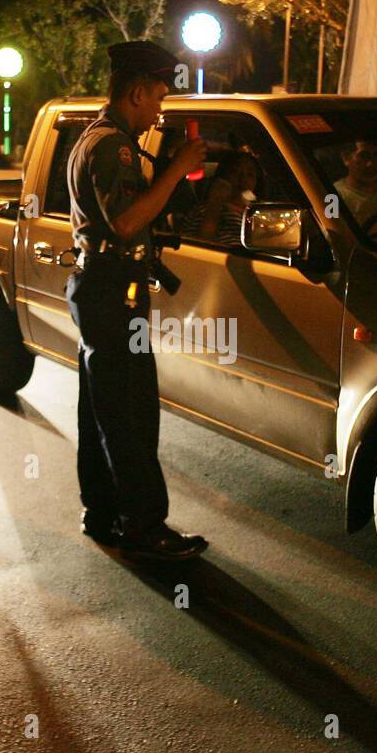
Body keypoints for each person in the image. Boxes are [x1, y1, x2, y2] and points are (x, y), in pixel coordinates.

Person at [66, 41, 209, 561]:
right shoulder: (113, 145)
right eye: (159, 92)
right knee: (129, 411)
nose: (162, 103)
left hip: (101, 286)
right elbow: (126, 221)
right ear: (136, 91)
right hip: (112, 291)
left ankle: (103, 511)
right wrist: (177, 169)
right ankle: (144, 529)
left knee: (101, 408)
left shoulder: (103, 138)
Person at [183, 149, 259, 246]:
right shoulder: (203, 210)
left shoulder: (259, 215)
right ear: (224, 175)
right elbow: (197, 248)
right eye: (235, 171)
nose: (243, 179)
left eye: (250, 174)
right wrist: (214, 205)